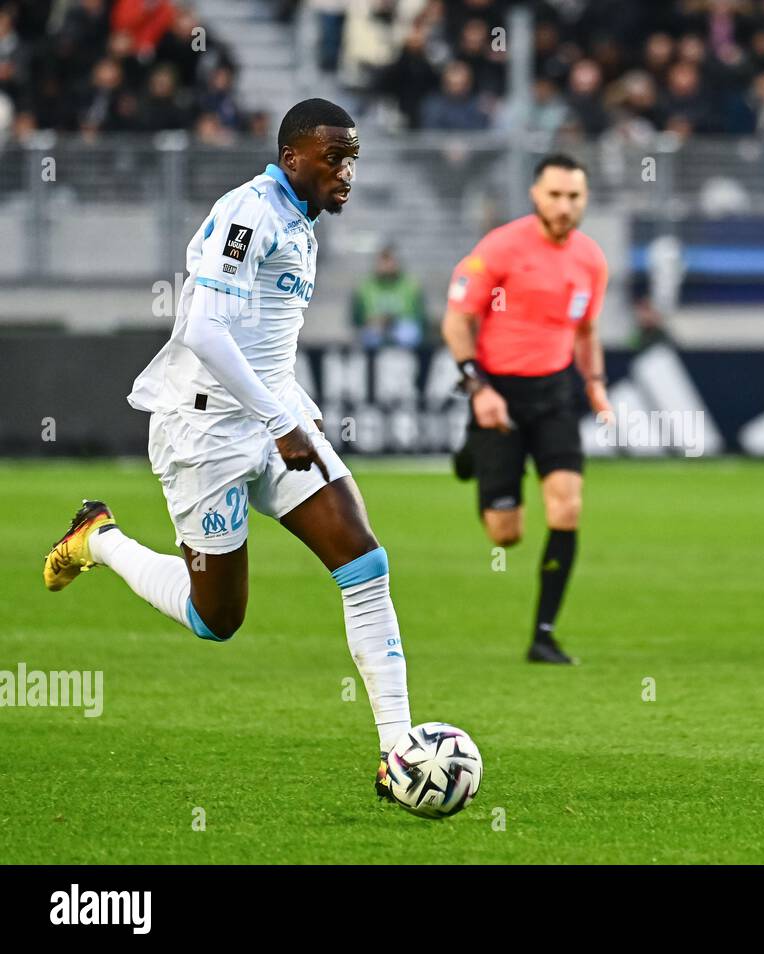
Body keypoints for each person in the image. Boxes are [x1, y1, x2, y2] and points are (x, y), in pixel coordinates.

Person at [43, 99, 416, 804]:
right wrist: (280, 420)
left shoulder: (300, 218)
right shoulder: (251, 214)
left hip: (277, 419)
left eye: (354, 158)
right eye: (334, 157)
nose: (347, 171)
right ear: (292, 159)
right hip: (205, 432)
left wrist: (281, 416)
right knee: (217, 619)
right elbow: (206, 332)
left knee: (364, 562)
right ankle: (99, 538)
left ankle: (397, 750)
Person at [442, 153, 611, 664]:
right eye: (555, 195)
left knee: (567, 507)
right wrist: (479, 388)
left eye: (574, 196)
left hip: (556, 391)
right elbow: (456, 321)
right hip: (499, 392)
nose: (564, 205)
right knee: (506, 533)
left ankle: (544, 635)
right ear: (536, 195)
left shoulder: (591, 260)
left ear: (585, 200)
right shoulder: (500, 248)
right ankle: (472, 449)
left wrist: (596, 384)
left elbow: (586, 331)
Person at [352, 245, 428, 350]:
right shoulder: (365, 286)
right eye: (383, 261)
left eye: (389, 260)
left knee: (409, 333)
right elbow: (357, 318)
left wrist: (392, 320)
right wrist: (370, 321)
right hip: (375, 328)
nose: (386, 265)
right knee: (369, 335)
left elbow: (420, 318)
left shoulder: (410, 285)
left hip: (400, 327)